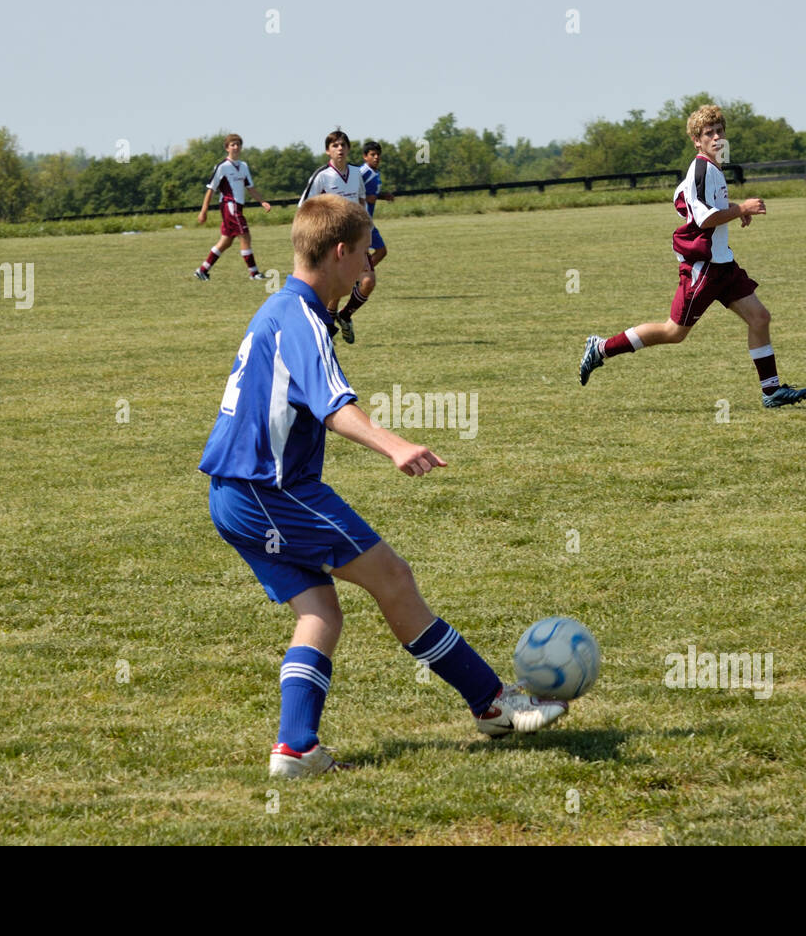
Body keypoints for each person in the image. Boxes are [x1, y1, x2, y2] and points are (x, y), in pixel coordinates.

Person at [199, 194, 566, 778]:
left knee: (319, 611)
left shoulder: (281, 308)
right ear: (341, 253)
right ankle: (492, 703)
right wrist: (396, 446)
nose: (371, 265)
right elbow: (333, 406)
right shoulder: (302, 317)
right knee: (392, 577)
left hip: (235, 493)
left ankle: (295, 749)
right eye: (366, 253)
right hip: (271, 491)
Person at [578, 105, 806, 408]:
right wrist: (741, 209)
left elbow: (691, 202)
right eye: (708, 133)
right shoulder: (702, 168)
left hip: (722, 263)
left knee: (760, 317)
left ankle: (772, 392)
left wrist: (734, 209)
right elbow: (703, 219)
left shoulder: (713, 168)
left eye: (719, 131)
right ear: (696, 141)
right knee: (673, 332)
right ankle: (600, 348)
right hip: (704, 266)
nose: (716, 137)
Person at [298, 130, 370, 343]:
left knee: (368, 282)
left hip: (355, 238)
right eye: (335, 145)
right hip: (333, 240)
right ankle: (323, 330)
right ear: (327, 150)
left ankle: (345, 316)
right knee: (333, 287)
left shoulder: (356, 173)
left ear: (348, 148)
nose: (339, 149)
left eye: (343, 145)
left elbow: (362, 200)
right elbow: (304, 206)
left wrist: (366, 230)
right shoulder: (322, 175)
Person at [195, 134, 272, 281]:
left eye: (238, 144)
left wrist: (262, 201)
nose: (235, 147)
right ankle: (254, 273)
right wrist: (203, 211)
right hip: (230, 206)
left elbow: (250, 187)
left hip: (238, 207)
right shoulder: (222, 167)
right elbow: (211, 189)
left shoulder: (244, 166)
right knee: (245, 236)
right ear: (227, 148)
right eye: (232, 145)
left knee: (226, 241)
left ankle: (203, 270)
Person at [354, 140, 394, 324]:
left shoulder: (375, 173)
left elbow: (370, 194)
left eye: (378, 154)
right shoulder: (362, 172)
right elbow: (353, 190)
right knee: (381, 251)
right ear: (365, 156)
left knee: (380, 251)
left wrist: (382, 196)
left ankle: (358, 275)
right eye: (372, 154)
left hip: (368, 220)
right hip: (362, 221)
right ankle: (359, 276)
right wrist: (365, 198)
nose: (376, 157)